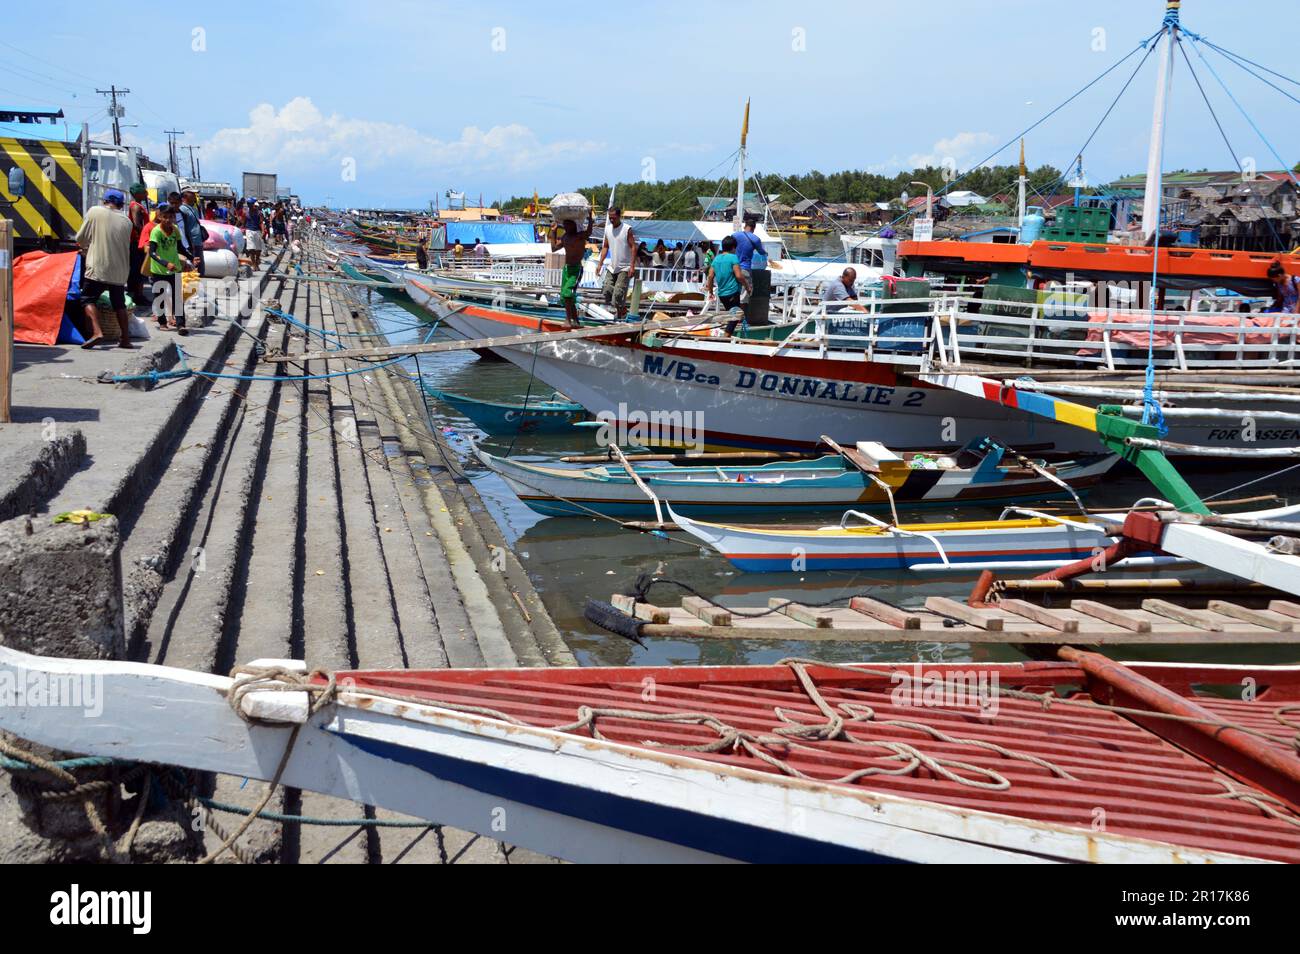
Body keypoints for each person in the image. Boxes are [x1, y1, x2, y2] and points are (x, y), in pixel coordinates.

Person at [75, 190, 135, 349]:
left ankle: (96, 332)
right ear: (121, 204)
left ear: (105, 201)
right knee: (119, 304)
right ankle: (126, 339)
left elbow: (80, 239)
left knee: (87, 298)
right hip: (120, 270)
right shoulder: (127, 221)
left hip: (99, 266)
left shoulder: (95, 211)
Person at [147, 205, 191, 335]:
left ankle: (181, 324)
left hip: (175, 268)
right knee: (159, 297)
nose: (168, 220)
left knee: (177, 297)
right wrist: (165, 263)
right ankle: (162, 322)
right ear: (160, 217)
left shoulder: (175, 230)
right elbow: (152, 253)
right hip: (158, 270)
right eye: (165, 217)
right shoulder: (156, 232)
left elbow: (181, 248)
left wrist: (191, 258)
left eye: (171, 217)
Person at [550, 215, 593, 327]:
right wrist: (553, 232)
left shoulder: (580, 236)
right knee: (566, 296)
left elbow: (588, 232)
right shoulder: (565, 237)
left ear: (574, 226)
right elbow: (554, 248)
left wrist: (590, 220)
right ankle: (576, 321)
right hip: (567, 269)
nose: (567, 227)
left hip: (576, 269)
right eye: (565, 226)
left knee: (568, 294)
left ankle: (568, 320)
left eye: (569, 225)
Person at [596, 206, 637, 319]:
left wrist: (632, 266)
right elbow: (605, 247)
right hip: (612, 266)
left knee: (618, 293)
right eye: (610, 218)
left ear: (619, 216)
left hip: (625, 267)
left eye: (614, 218)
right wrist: (600, 264)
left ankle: (620, 315)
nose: (612, 220)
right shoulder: (608, 229)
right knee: (607, 290)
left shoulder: (627, 229)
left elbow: (633, 247)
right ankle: (619, 310)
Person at [705, 235, 750, 333]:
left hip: (722, 295)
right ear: (733, 247)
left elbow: (710, 276)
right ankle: (725, 338)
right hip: (733, 293)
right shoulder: (733, 258)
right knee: (735, 318)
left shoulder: (716, 259)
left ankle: (727, 336)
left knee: (732, 316)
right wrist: (747, 287)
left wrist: (711, 292)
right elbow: (739, 276)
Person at [126, 183, 152, 307]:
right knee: (139, 269)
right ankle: (138, 295)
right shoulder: (135, 206)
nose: (146, 193)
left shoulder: (137, 205)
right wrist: (146, 234)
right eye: (143, 191)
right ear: (137, 193)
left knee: (136, 269)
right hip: (138, 242)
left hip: (138, 241)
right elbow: (136, 224)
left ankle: (136, 294)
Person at [174, 190, 205, 277]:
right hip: (191, 242)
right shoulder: (183, 209)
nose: (194, 196)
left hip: (197, 241)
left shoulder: (193, 208)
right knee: (193, 267)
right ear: (185, 197)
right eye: (192, 194)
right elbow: (183, 228)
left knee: (199, 267)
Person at [244, 200, 264, 269]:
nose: (250, 205)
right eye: (249, 204)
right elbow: (244, 222)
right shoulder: (246, 213)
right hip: (249, 231)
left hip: (257, 231)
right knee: (251, 249)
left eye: (251, 204)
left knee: (258, 250)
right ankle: (254, 264)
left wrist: (263, 231)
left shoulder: (259, 213)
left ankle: (256, 261)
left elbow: (261, 222)